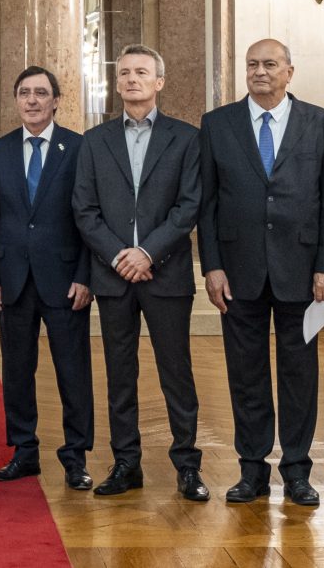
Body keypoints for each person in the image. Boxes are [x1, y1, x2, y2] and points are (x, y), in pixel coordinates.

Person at [197, 38, 324, 506]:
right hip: (238, 272)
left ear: (289, 72)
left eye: (270, 64)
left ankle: (297, 471)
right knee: (246, 373)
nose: (260, 71)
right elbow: (208, 203)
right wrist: (212, 265)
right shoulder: (217, 124)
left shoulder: (320, 123)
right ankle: (252, 470)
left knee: (300, 375)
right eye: (253, 64)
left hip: (301, 271)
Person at [72, 45, 208, 502]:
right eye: (125, 72)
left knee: (177, 373)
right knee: (119, 373)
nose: (132, 79)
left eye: (142, 72)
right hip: (113, 277)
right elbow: (84, 210)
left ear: (159, 82)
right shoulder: (94, 141)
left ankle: (187, 466)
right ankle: (126, 463)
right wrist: (119, 256)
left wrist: (147, 253)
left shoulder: (187, 138)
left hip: (166, 275)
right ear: (116, 82)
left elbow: (188, 206)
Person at [0, 66, 94, 491]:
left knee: (72, 370)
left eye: (40, 93)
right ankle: (24, 451)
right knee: (18, 370)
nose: (32, 100)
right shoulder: (0, 150)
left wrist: (86, 276)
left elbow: (88, 218)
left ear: (56, 100)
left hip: (65, 280)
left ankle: (76, 456)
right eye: (24, 92)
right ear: (15, 100)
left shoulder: (79, 148)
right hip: (12, 280)